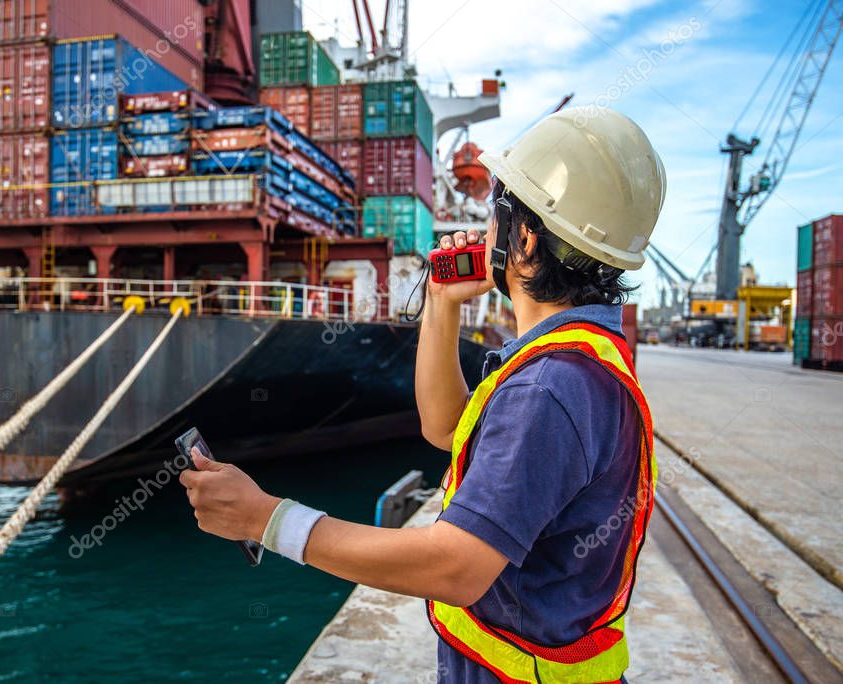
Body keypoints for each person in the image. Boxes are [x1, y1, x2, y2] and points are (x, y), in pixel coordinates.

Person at [180, 106, 666, 683]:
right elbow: (445, 428)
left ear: (526, 238)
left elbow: (456, 566)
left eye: (495, 217)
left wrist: (268, 520)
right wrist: (441, 301)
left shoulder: (548, 386)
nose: (485, 234)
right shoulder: (578, 360)